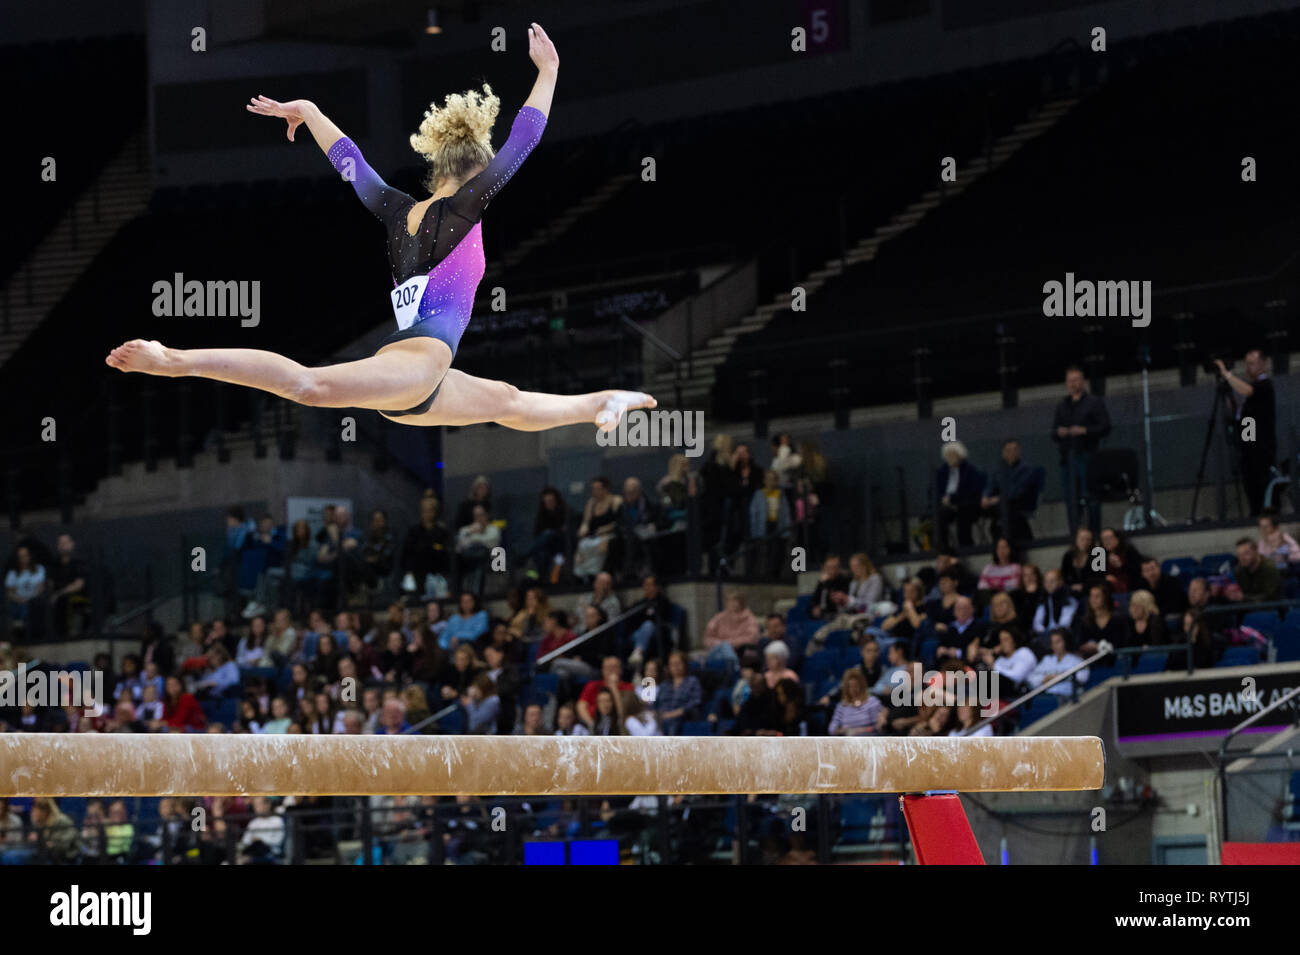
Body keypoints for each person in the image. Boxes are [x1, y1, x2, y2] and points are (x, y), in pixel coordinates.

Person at [109, 25, 654, 432]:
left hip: (415, 381)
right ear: (476, 170)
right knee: (309, 384)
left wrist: (312, 112)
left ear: (437, 166)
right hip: (417, 367)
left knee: (508, 402)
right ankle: (174, 360)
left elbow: (353, 167)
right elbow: (525, 140)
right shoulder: (464, 208)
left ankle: (602, 402)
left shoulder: (398, 212)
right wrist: (548, 72)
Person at [1215, 349, 1276, 516]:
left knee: (1260, 483)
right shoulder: (1250, 394)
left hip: (1261, 447)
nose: (1248, 368)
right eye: (1246, 364)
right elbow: (1240, 414)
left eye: (1252, 364)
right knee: (1250, 485)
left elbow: (1247, 390)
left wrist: (1227, 375)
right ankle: (1255, 513)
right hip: (1247, 445)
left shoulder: (1264, 385)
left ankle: (1265, 514)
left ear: (1263, 364)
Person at [1052, 365, 1111, 534]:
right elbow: (1054, 432)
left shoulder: (1094, 403)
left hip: (1088, 457)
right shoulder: (1062, 405)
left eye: (1076, 380)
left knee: (1091, 496)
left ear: (1083, 381)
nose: (1073, 384)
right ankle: (1076, 535)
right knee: (1072, 500)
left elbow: (1105, 427)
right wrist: (1060, 432)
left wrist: (1084, 430)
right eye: (1070, 381)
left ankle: (1094, 533)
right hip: (1068, 459)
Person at [980, 439, 1038, 544]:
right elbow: (990, 485)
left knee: (1006, 510)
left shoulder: (1026, 470)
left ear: (1019, 452)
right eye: (1008, 450)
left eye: (1014, 450)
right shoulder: (999, 469)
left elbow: (1017, 491)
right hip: (999, 505)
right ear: (1003, 453)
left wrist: (999, 499)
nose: (1012, 453)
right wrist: (985, 497)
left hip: (1019, 502)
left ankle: (1008, 541)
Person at [934, 441, 983, 548]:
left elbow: (972, 491)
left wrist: (952, 498)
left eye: (953, 455)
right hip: (946, 505)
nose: (950, 458)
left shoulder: (970, 470)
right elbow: (935, 490)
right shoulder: (942, 472)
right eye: (948, 456)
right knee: (941, 514)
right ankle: (943, 548)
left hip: (965, 504)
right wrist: (943, 499)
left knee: (963, 514)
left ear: (960, 456)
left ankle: (965, 546)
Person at [573, 477, 622, 579]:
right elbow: (586, 522)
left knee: (600, 546)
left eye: (597, 489)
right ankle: (582, 576)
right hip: (594, 535)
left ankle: (598, 574)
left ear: (605, 489)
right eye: (593, 489)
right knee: (583, 545)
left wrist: (605, 529)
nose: (594, 491)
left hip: (609, 534)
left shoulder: (615, 500)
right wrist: (583, 529)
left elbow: (619, 521)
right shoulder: (591, 503)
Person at [1027, 628, 1089, 696]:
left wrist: (1059, 677)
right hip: (1048, 696)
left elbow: (1083, 677)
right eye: (1052, 642)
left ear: (1066, 642)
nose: (1054, 646)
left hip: (1067, 697)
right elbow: (1031, 678)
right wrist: (1044, 679)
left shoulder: (1076, 660)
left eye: (1058, 642)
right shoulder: (1047, 660)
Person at [525, 486, 568, 582]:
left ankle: (527, 554)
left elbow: (564, 531)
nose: (549, 503)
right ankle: (538, 579)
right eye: (546, 501)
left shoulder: (564, 511)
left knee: (548, 534)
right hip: (546, 547)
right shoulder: (541, 514)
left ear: (556, 501)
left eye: (551, 501)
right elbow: (537, 532)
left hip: (560, 545)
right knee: (540, 553)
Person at [654, 651, 702, 736]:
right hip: (662, 717)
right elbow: (656, 705)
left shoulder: (692, 681)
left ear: (685, 665)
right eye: (672, 664)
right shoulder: (664, 685)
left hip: (682, 716)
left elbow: (695, 702)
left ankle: (670, 744)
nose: (675, 667)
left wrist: (676, 713)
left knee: (673, 721)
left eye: (678, 663)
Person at [827, 668, 882, 736]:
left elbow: (877, 727)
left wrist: (858, 730)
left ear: (861, 686)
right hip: (847, 738)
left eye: (855, 686)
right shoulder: (842, 706)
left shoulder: (872, 702)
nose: (852, 689)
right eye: (849, 687)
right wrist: (842, 731)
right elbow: (831, 729)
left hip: (867, 738)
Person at [1032, 569, 1078, 639]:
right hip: (1045, 634)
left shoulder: (1068, 598)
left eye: (1052, 581)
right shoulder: (1043, 598)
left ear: (1061, 582)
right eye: (1046, 581)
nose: (1048, 584)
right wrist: (1043, 631)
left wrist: (1053, 633)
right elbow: (1037, 622)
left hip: (1063, 635)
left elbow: (1065, 623)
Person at [1234, 537, 1282, 603]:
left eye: (1246, 553)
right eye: (1239, 555)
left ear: (1256, 551)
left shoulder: (1269, 568)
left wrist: (1244, 598)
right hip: (1248, 605)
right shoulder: (1239, 569)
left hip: (1269, 606)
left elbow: (1270, 596)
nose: (1242, 558)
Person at [1060, 526, 1104, 598]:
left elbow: (1100, 577)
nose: (1085, 542)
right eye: (1082, 539)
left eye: (1088, 539)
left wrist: (1084, 586)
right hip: (1071, 591)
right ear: (1076, 539)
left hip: (1091, 592)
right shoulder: (1068, 555)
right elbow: (1064, 576)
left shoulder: (1098, 555)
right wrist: (1072, 586)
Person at [1099, 527, 1144, 594]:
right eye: (1104, 539)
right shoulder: (1100, 555)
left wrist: (1121, 565)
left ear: (1117, 539)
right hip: (1107, 589)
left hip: (1130, 588)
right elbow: (1096, 575)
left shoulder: (1129, 551)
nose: (1107, 541)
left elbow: (1138, 571)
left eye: (1110, 538)